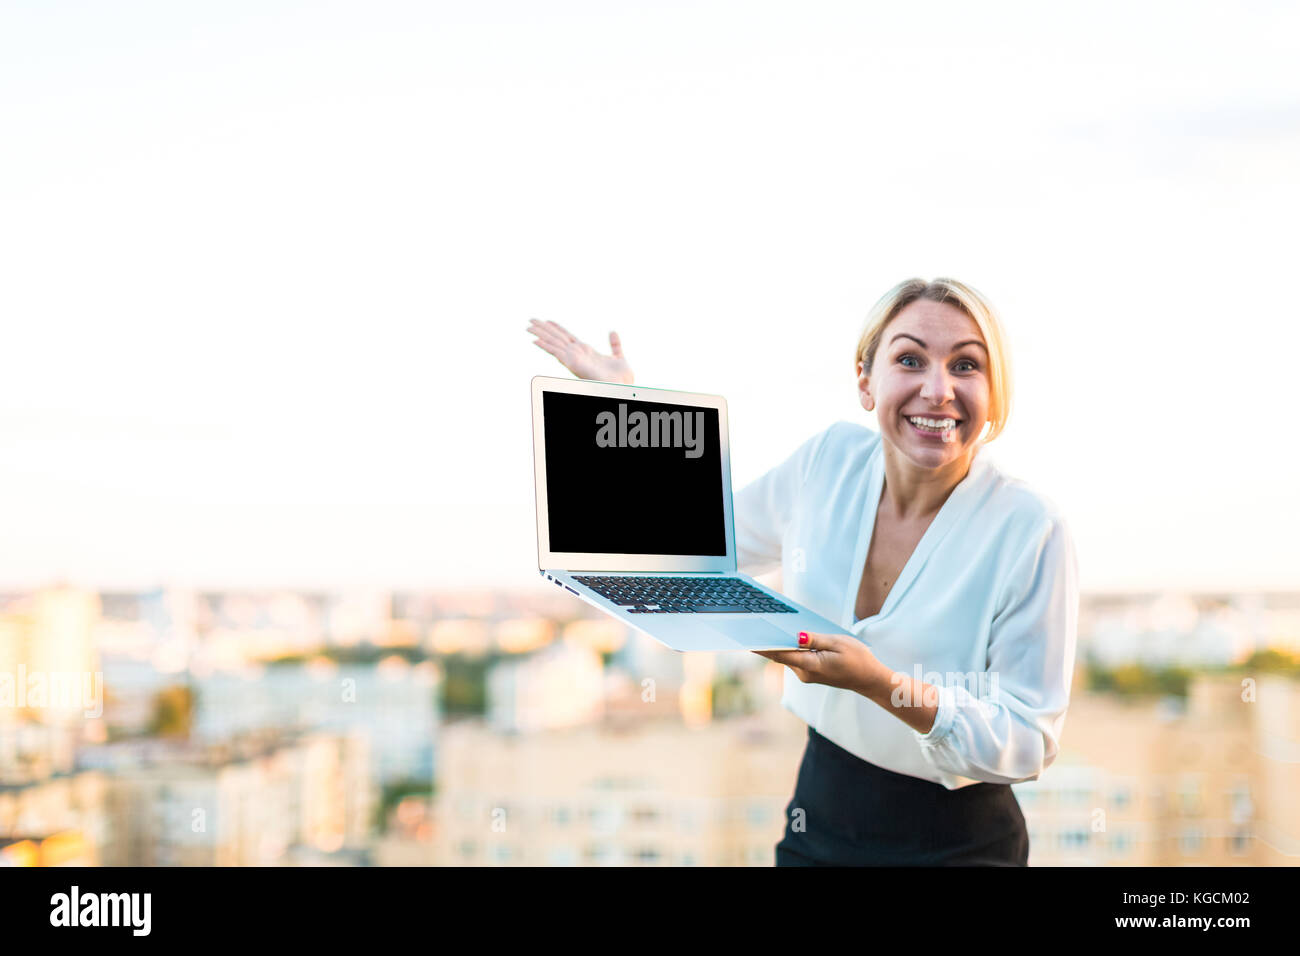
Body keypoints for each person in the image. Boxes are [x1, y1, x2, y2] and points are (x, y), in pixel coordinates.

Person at [526, 277, 1078, 866]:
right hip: (821, 811)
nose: (937, 389)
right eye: (910, 359)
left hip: (961, 843)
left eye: (966, 365)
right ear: (866, 380)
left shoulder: (1029, 527)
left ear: (995, 392)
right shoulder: (827, 463)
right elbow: (696, 547)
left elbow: (1028, 740)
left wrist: (883, 684)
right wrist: (624, 402)